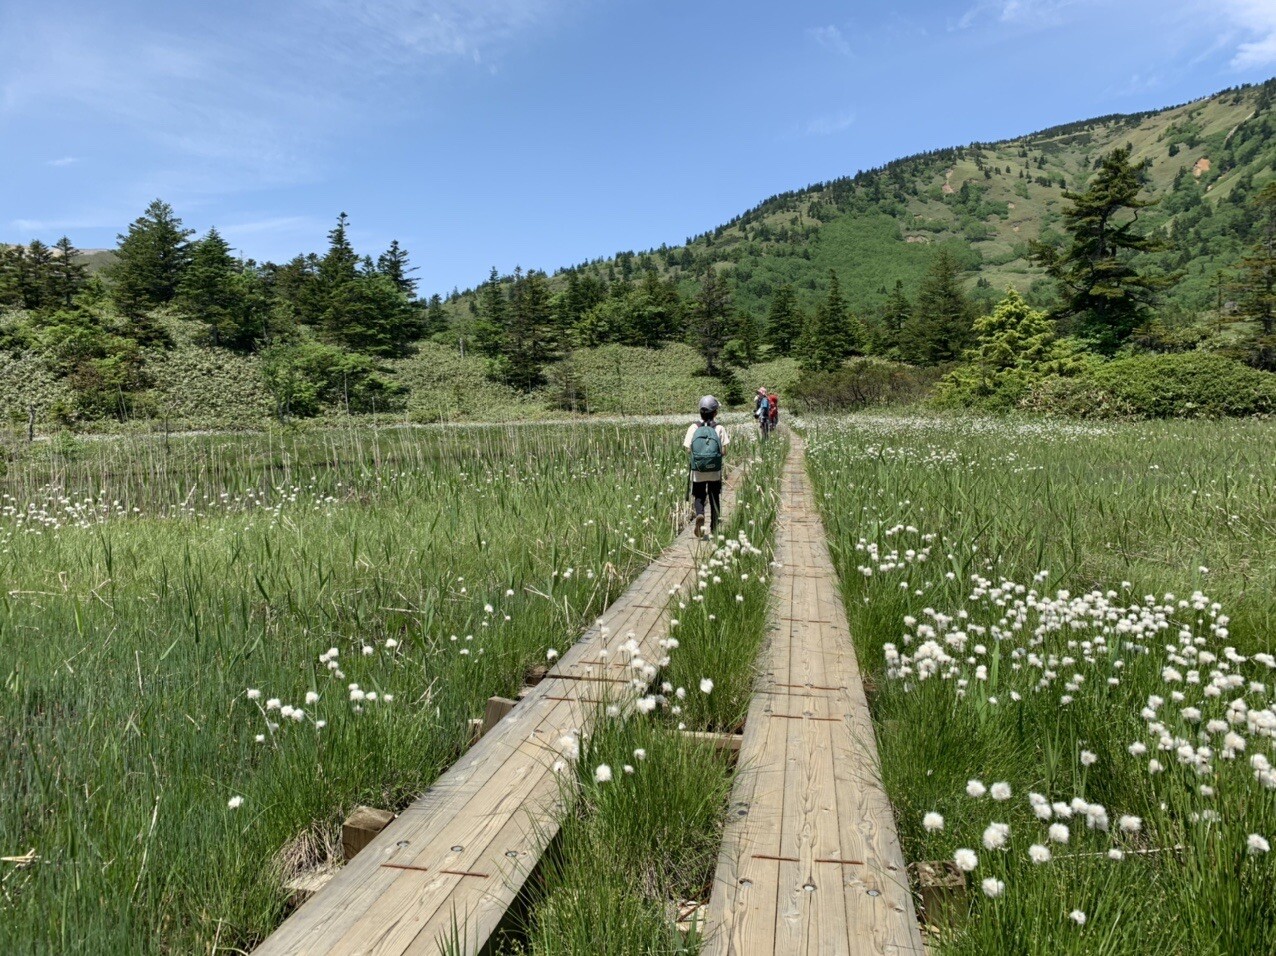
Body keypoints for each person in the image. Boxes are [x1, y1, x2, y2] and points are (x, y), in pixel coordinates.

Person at [684, 395, 730, 538]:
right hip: (714, 471)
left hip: (698, 470)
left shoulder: (693, 427)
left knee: (699, 495)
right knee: (714, 496)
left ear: (700, 412)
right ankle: (714, 527)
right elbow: (724, 451)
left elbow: (687, 448)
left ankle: (700, 514)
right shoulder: (719, 428)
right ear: (715, 412)